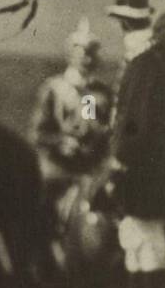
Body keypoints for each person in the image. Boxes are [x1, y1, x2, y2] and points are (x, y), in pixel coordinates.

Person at [104, 0, 165, 288]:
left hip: (143, 164)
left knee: (146, 235)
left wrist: (120, 158)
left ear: (125, 23)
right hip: (149, 161)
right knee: (135, 233)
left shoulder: (144, 64)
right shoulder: (150, 60)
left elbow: (135, 120)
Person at [31, 17, 114, 216]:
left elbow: (91, 127)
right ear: (71, 56)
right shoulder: (54, 88)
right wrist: (61, 142)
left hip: (91, 169)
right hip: (58, 167)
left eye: (91, 55)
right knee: (42, 208)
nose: (87, 60)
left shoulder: (99, 93)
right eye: (82, 54)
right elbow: (38, 133)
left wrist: (97, 139)